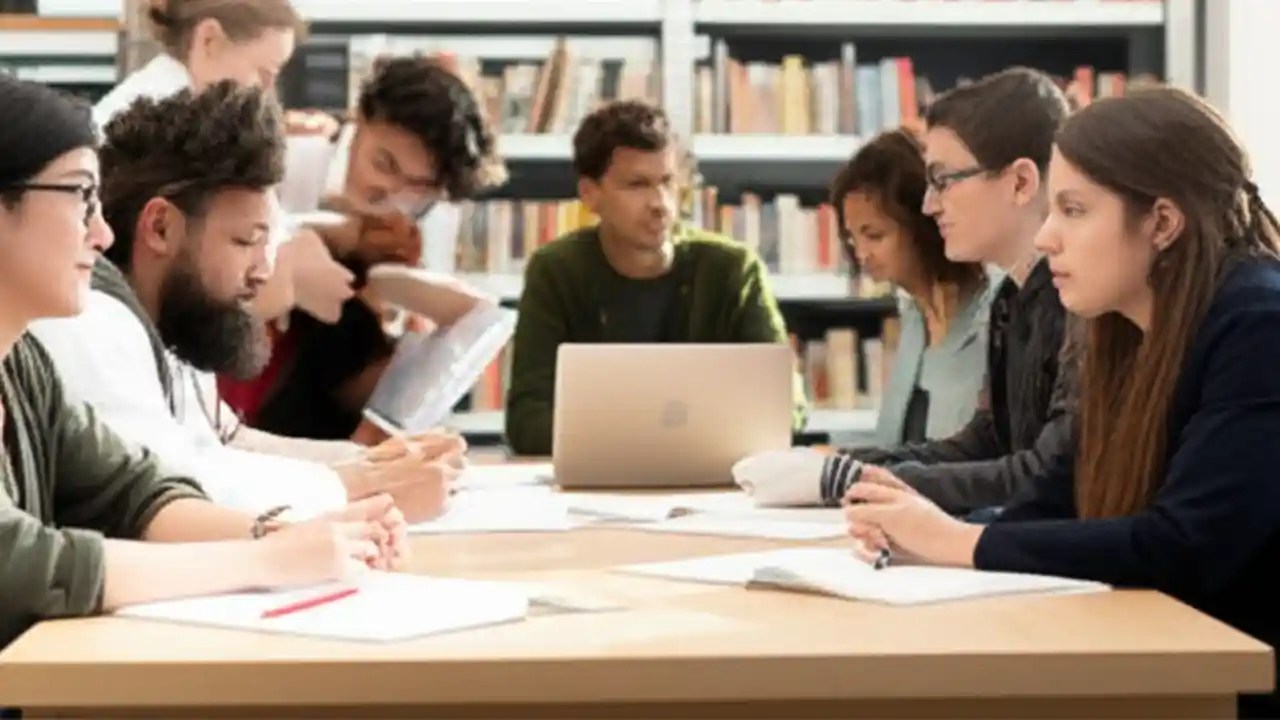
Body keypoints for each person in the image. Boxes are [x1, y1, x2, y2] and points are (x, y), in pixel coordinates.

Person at [844, 85, 1280, 718]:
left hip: (1230, 682)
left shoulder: (1257, 324)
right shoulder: (1121, 325)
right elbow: (1057, 497)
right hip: (1160, 657)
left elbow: (1183, 547)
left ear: (1161, 223)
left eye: (1073, 211)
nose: (1046, 238)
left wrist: (960, 545)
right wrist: (934, 537)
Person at [0, 73, 408, 654]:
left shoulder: (24, 365)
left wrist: (293, 537)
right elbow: (26, 565)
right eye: (77, 196)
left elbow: (131, 490)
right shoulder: (81, 333)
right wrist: (264, 558)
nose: (102, 232)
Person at [29, 81, 461, 523]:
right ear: (160, 228)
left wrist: (375, 462)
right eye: (244, 241)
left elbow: (223, 443)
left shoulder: (177, 323)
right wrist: (358, 486)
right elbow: (169, 491)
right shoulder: (94, 325)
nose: (264, 271)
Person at [736, 67, 1074, 519]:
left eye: (943, 180)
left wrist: (850, 480)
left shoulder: (1077, 305)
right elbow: (986, 442)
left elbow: (1044, 476)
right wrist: (843, 467)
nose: (929, 205)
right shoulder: (1011, 301)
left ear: (1019, 183)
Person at [223, 54, 509, 442]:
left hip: (329, 382)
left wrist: (395, 307)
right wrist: (341, 235)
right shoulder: (288, 160)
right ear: (358, 121)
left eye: (417, 186)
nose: (389, 192)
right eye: (383, 164)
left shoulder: (428, 219)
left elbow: (427, 324)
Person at [505, 99, 808, 456]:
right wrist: (665, 435)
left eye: (667, 182)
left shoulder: (733, 269)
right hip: (600, 482)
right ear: (590, 194)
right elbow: (526, 422)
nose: (661, 203)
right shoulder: (556, 270)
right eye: (637, 185)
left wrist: (624, 432)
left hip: (715, 481)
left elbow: (787, 408)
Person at [830, 128, 998, 446]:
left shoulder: (992, 315)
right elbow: (896, 443)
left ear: (921, 225)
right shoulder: (912, 314)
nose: (861, 254)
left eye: (875, 235)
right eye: (852, 238)